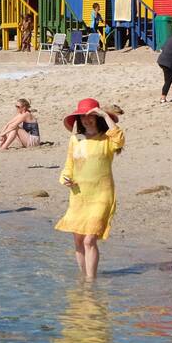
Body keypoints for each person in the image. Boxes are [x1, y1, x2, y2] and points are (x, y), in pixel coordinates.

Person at [54, 98, 125, 280]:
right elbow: (69, 164)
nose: (87, 120)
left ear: (97, 118)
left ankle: (91, 282)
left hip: (101, 194)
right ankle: (84, 279)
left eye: (91, 116)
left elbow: (119, 138)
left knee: (89, 239)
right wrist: (65, 178)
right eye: (83, 117)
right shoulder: (76, 140)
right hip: (78, 195)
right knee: (78, 239)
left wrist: (103, 114)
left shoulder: (107, 140)